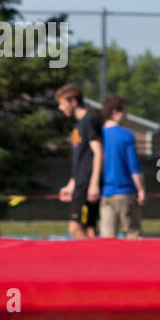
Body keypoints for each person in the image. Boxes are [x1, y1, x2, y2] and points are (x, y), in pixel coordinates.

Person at [55, 83, 103, 239]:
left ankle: (89, 260)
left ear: (73, 102)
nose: (60, 108)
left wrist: (94, 183)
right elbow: (81, 158)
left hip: (87, 184)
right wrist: (71, 183)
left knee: (75, 228)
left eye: (62, 103)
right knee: (89, 229)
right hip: (80, 183)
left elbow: (98, 152)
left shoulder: (90, 120)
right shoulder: (78, 125)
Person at [98, 95, 145, 239]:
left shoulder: (98, 135)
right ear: (116, 112)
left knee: (107, 239)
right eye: (125, 112)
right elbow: (133, 166)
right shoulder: (126, 135)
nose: (126, 116)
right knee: (133, 234)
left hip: (106, 193)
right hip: (126, 193)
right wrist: (141, 189)